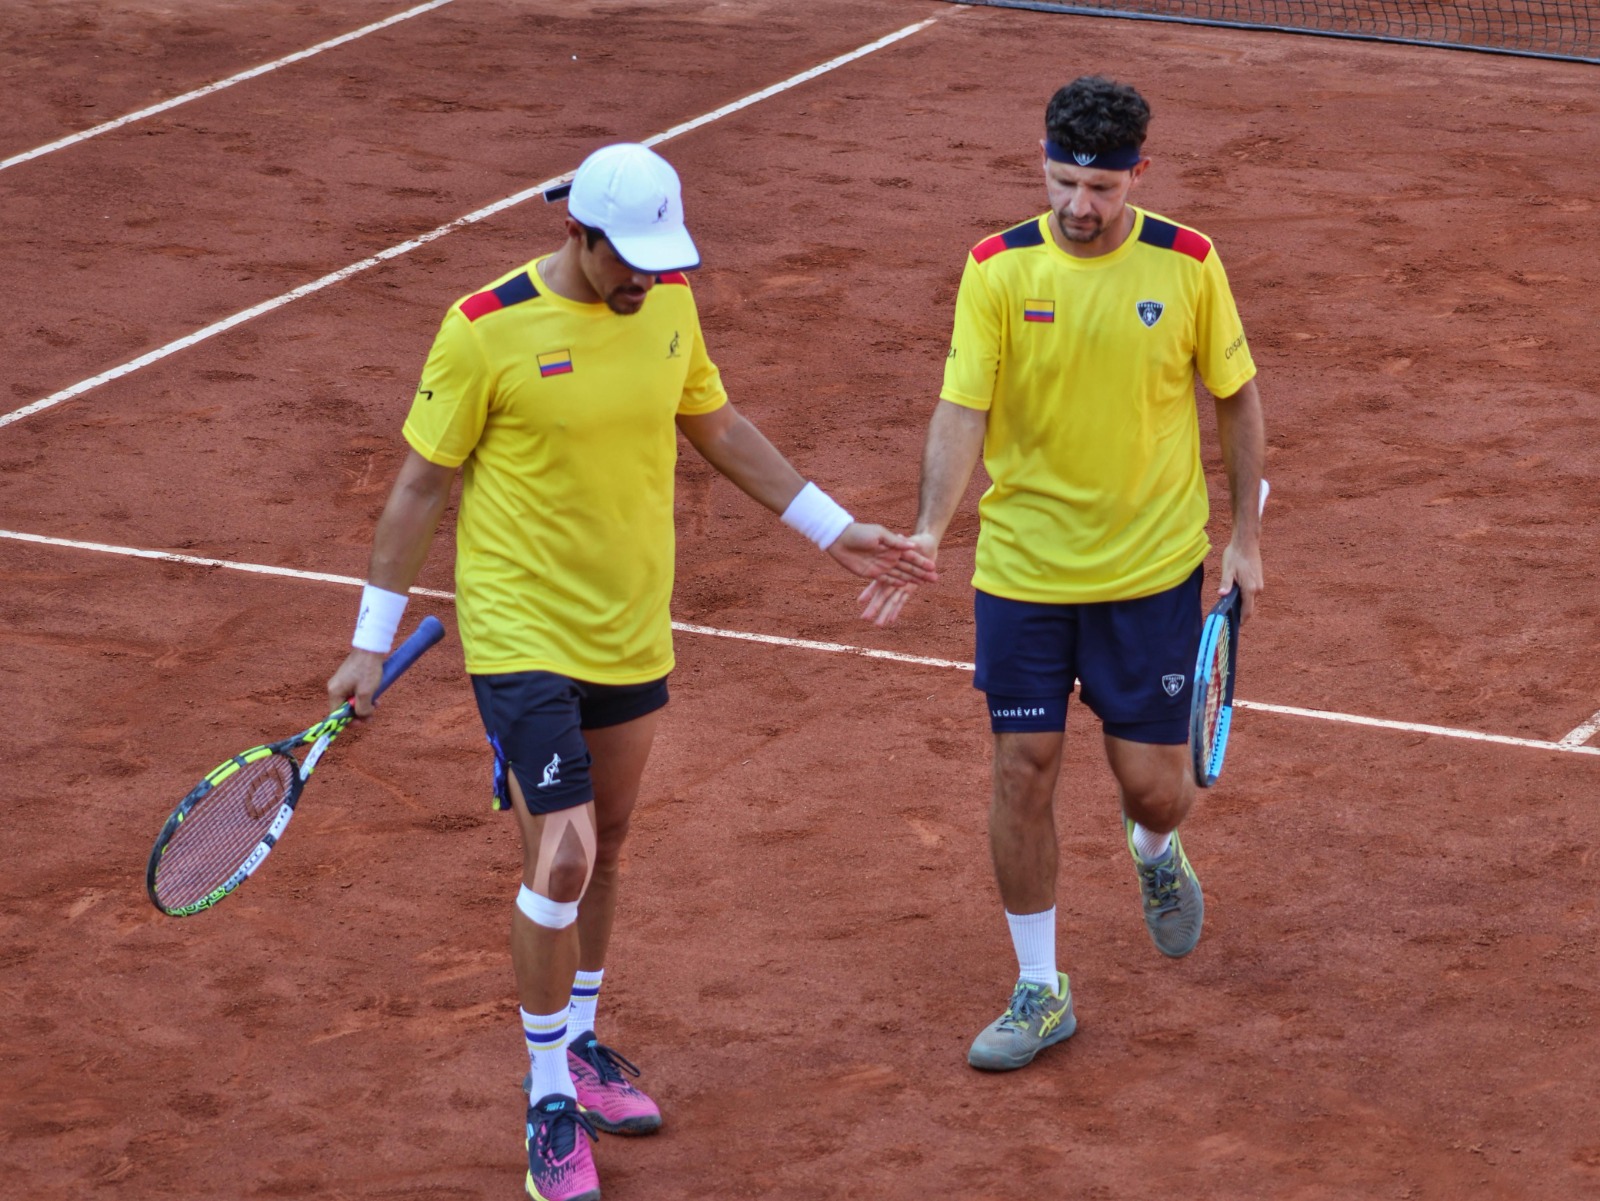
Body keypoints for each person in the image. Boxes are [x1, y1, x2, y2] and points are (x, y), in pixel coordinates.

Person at [326, 143, 933, 1201]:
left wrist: (830, 530)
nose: (647, 275)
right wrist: (369, 640)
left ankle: (586, 1042)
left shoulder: (666, 305)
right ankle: (549, 1094)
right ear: (579, 233)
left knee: (608, 851)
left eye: (662, 255)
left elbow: (720, 425)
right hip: (520, 633)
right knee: (561, 857)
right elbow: (421, 487)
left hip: (629, 629)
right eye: (629, 258)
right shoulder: (483, 331)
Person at [860, 76, 1265, 1072]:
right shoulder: (996, 269)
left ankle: (1154, 851)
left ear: (1138, 174)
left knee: (1154, 790)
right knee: (1020, 767)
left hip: (1149, 570)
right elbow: (961, 410)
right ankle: (1041, 988)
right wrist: (927, 528)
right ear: (1039, 159)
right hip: (1024, 570)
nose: (1078, 207)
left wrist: (1244, 535)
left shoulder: (1187, 263)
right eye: (1062, 181)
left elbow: (1237, 400)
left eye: (1099, 187)